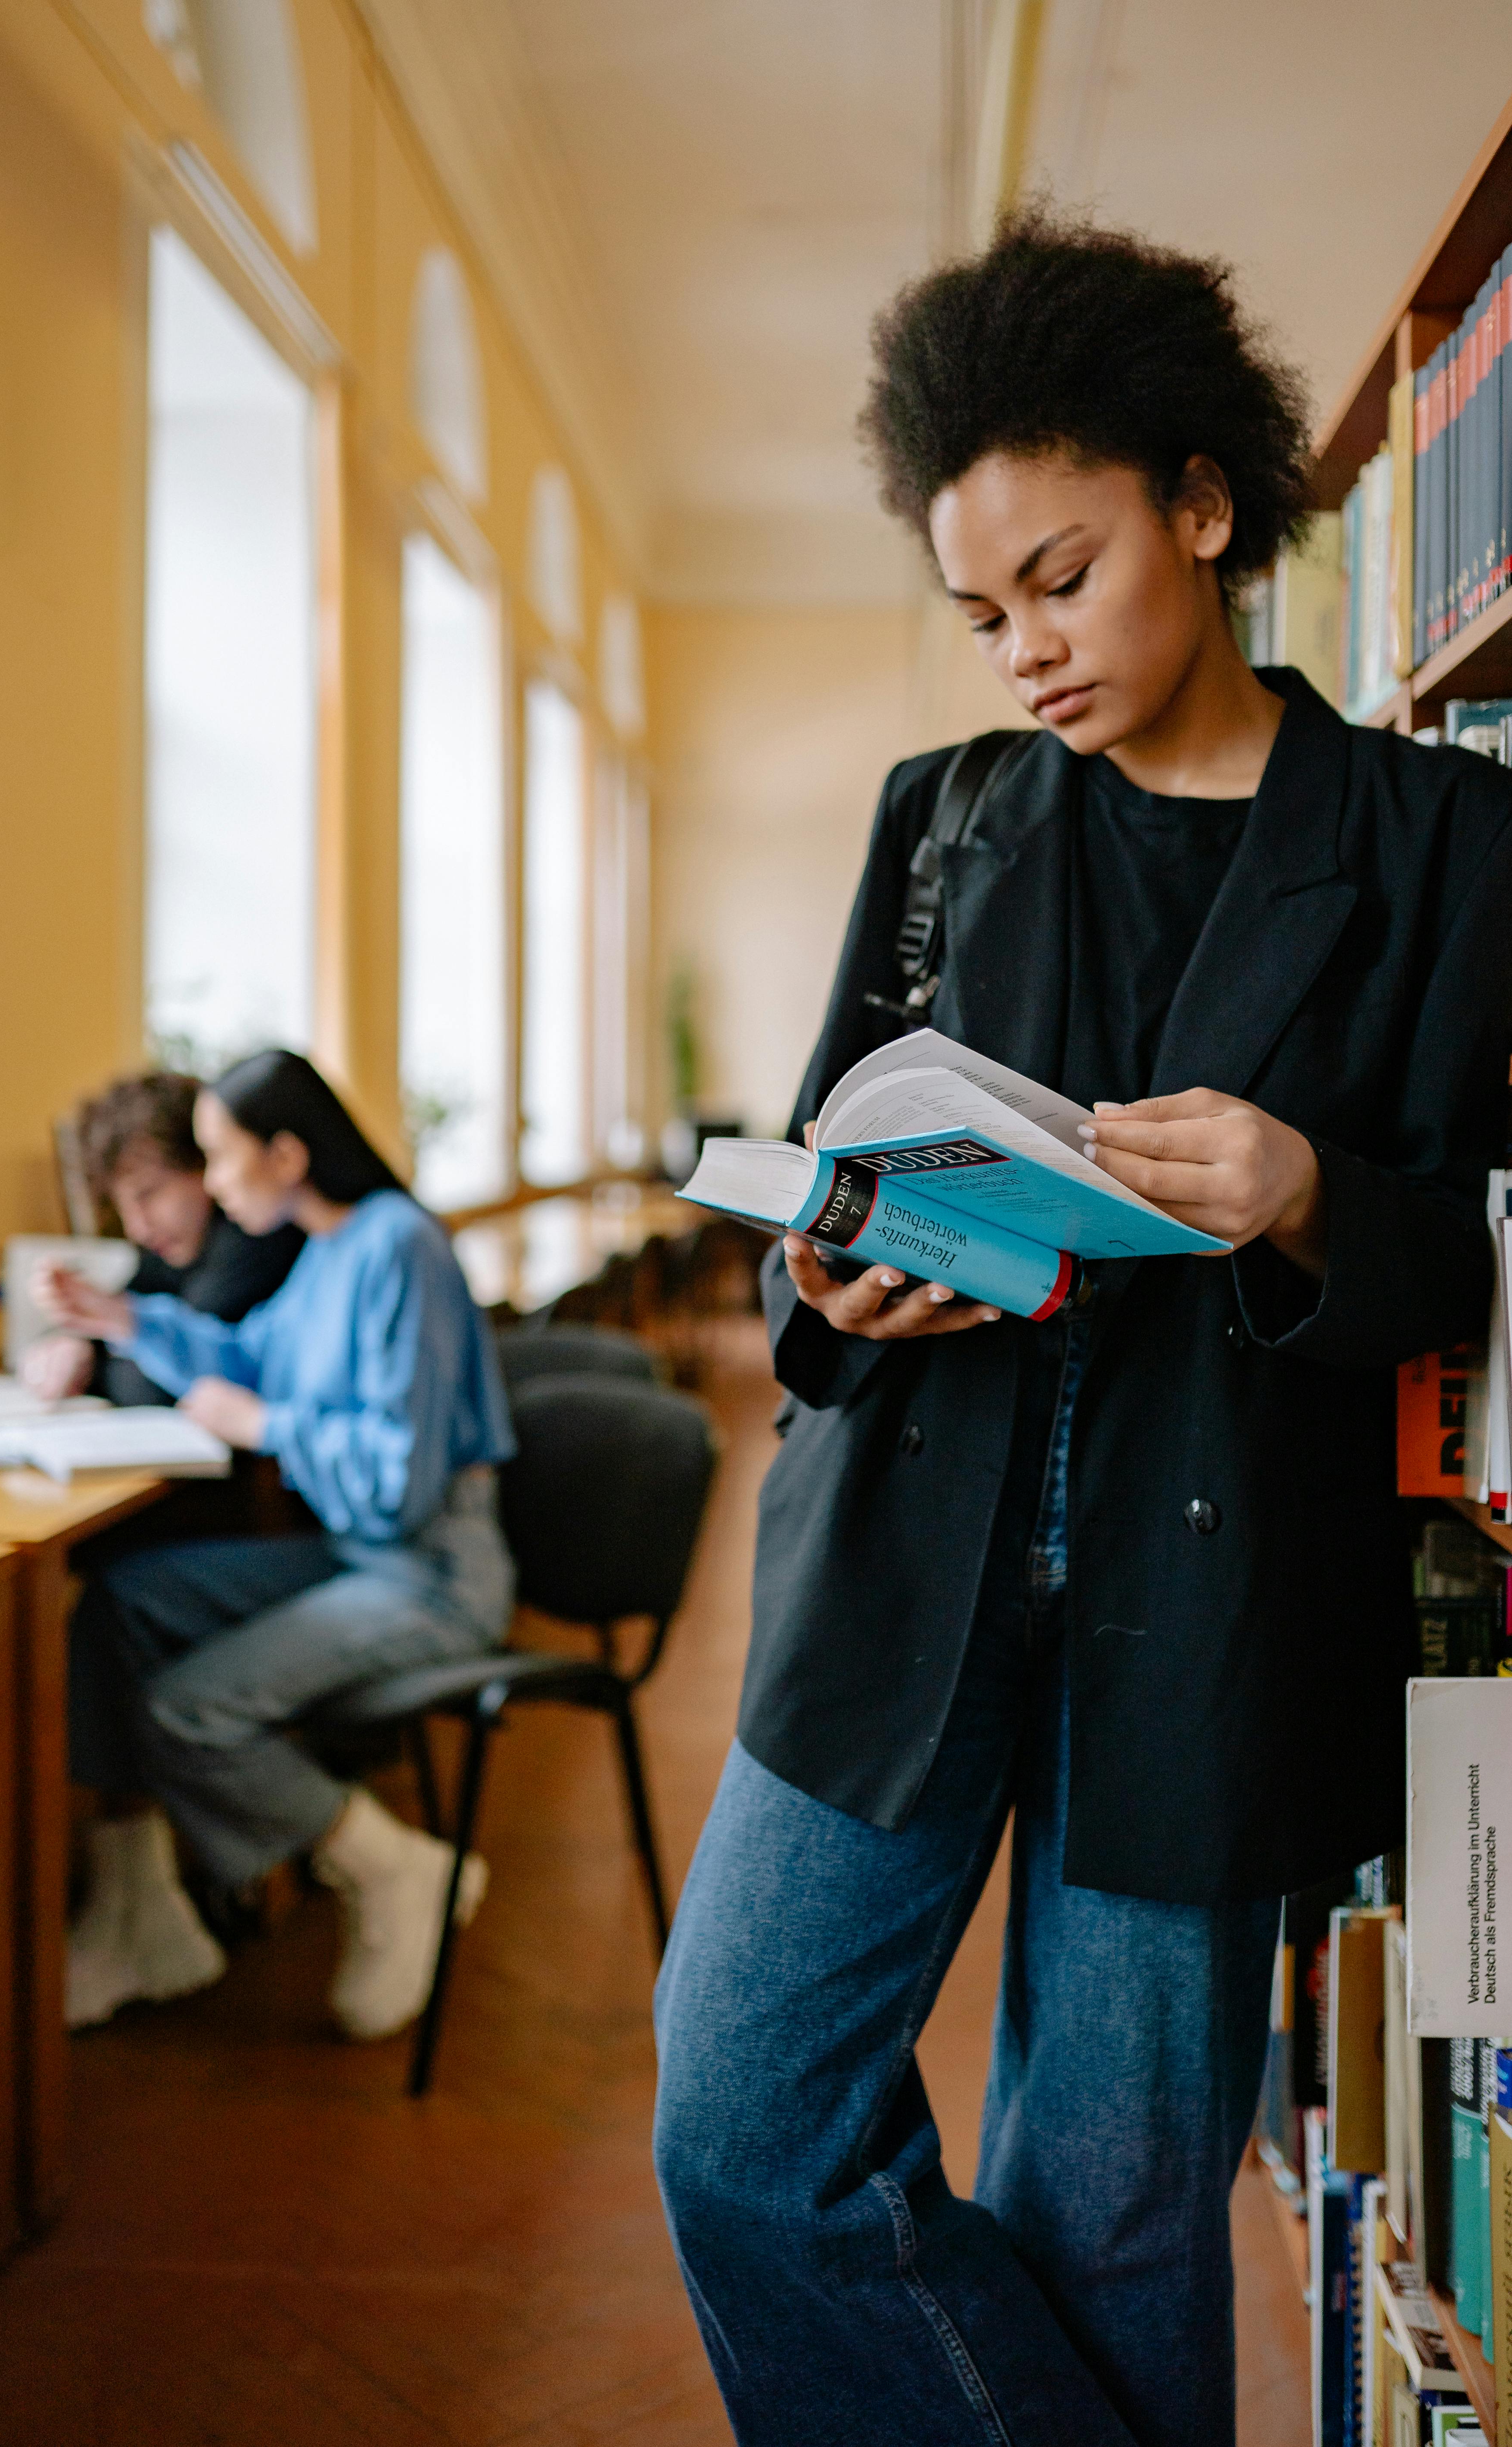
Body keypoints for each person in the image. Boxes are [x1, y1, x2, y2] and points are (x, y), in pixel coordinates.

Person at [651, 209, 1512, 2447]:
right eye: (978, 609)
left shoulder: (1435, 840)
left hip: (1207, 1591)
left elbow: (1465, 1260)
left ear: (1202, 507)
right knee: (737, 2119)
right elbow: (828, 1159)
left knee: (1109, 2198)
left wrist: (1314, 1198)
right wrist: (819, 1272)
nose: (1021, 647)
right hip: (896, 1560)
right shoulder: (942, 819)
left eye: (1060, 575)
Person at [36, 1050, 517, 2041]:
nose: (210, 1182)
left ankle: (389, 1862)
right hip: (359, 1559)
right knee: (122, 1599)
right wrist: (126, 1316)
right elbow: (249, 1352)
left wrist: (266, 1425)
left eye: (217, 1157)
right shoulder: (328, 1247)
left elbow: (396, 1479)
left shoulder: (399, 1245)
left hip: (433, 1574)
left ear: (288, 1153)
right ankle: (144, 1918)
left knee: (187, 1709)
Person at [23, 1071, 302, 1406]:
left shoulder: (259, 1237)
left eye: (149, 1194)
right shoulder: (170, 1247)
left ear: (204, 1164)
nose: (136, 1229)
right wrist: (76, 1343)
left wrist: (95, 1365)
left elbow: (162, 1385)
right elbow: (130, 1308)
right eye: (122, 1205)